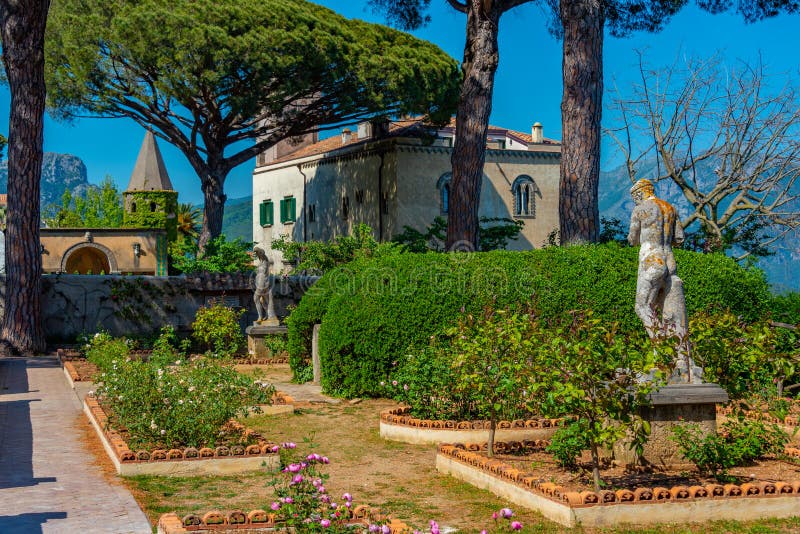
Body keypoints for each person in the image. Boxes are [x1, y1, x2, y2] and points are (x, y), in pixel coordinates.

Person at [628, 179, 700, 383]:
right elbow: (679, 238)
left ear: (639, 194)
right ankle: (680, 357)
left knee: (642, 307)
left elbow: (632, 238)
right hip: (669, 259)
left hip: (652, 259)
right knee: (669, 311)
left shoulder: (641, 209)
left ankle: (660, 348)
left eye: (635, 198)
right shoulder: (670, 208)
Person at [253, 246, 276, 324]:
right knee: (264, 300)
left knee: (256, 298)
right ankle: (269, 315)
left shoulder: (265, 260)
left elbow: (262, 253)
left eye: (257, 253)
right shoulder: (260, 262)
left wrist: (256, 249)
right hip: (261, 283)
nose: (257, 255)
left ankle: (260, 317)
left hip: (262, 283)